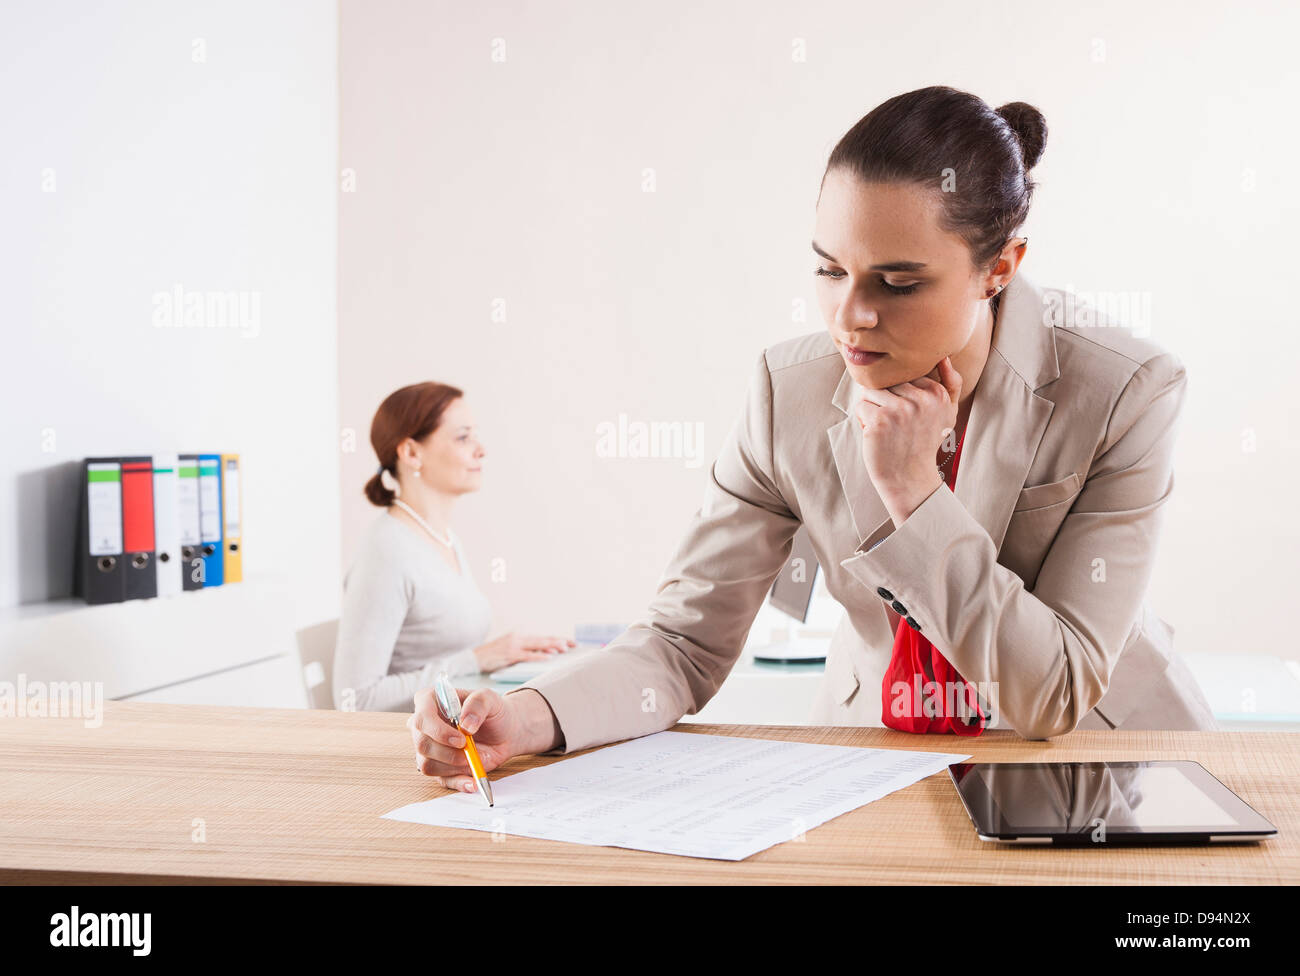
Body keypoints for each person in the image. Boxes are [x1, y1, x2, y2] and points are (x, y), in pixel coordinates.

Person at [408, 86, 1216, 792]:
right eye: (830, 271)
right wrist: (526, 715)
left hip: (1102, 769)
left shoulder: (1124, 390)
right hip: (879, 762)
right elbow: (682, 646)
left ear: (1001, 265)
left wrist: (915, 495)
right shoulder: (787, 393)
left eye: (898, 283)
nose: (850, 317)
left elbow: (1054, 692)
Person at [333, 381, 573, 711]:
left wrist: (504, 658)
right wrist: (477, 660)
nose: (481, 450)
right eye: (463, 437)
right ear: (412, 453)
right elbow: (356, 700)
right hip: (412, 746)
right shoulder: (386, 552)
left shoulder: (441, 537)